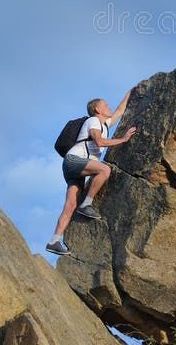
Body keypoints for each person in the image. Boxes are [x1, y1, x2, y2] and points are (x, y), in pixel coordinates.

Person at [46, 91, 136, 255]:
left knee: (70, 206)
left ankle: (53, 241)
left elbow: (119, 111)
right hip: (74, 161)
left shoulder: (104, 125)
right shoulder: (93, 121)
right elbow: (99, 141)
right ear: (97, 109)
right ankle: (87, 205)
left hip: (75, 169)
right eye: (105, 105)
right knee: (104, 169)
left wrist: (131, 92)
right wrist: (123, 140)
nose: (109, 106)